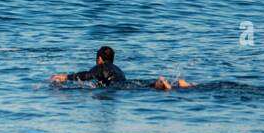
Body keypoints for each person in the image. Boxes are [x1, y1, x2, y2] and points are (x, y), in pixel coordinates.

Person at [50, 46, 191, 90]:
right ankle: (177, 84)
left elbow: (86, 75)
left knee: (145, 87)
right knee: (144, 86)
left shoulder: (101, 67)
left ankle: (160, 84)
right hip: (125, 83)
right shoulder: (118, 69)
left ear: (99, 59)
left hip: (119, 86)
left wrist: (65, 77)